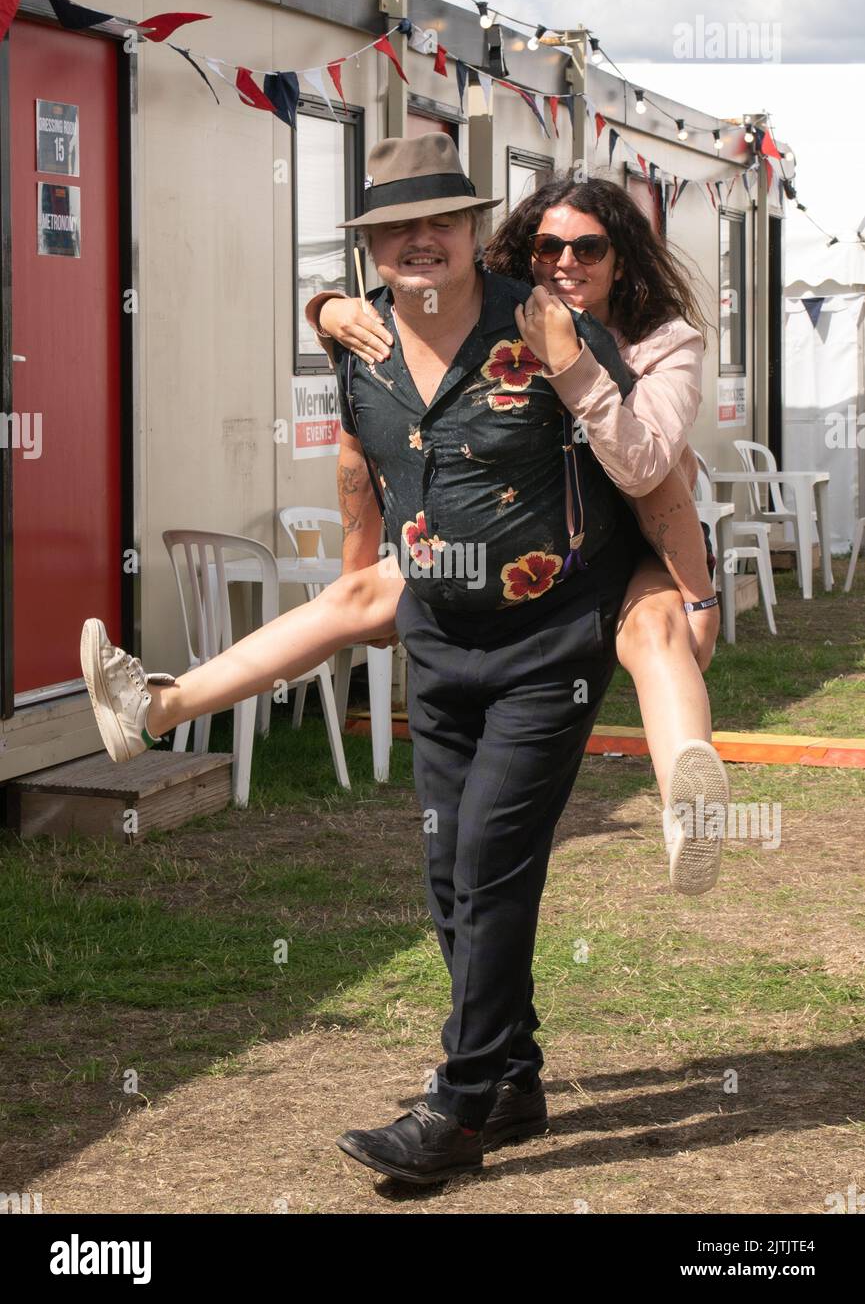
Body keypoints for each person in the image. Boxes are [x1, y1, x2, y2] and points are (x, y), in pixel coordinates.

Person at [79, 135, 721, 1186]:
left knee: (491, 863)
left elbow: (654, 482)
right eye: (394, 228)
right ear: (371, 245)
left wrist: (689, 593)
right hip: (438, 638)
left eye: (439, 221)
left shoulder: (550, 326)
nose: (419, 241)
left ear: (472, 231)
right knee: (444, 879)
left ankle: (457, 1108)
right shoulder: (358, 345)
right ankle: (513, 1075)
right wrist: (355, 577)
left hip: (546, 642)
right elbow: (357, 464)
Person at [305, 173, 730, 890]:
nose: (566, 262)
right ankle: (159, 701)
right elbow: (420, 299)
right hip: (537, 539)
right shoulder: (504, 308)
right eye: (548, 246)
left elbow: (644, 470)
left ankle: (689, 811)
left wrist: (702, 596)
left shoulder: (661, 341)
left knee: (657, 635)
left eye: (589, 248)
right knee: (347, 604)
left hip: (642, 531)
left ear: (620, 257)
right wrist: (328, 308)